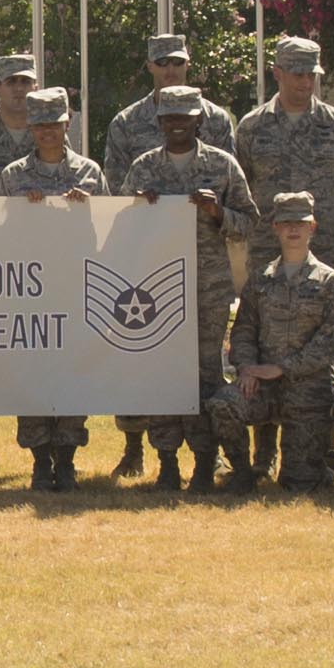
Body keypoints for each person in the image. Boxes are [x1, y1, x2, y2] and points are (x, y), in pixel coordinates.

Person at [121, 94, 253, 492]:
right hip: (156, 290)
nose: (177, 124)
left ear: (199, 121)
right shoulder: (144, 167)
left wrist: (218, 214)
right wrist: (136, 207)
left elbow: (249, 224)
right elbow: (117, 227)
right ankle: (166, 463)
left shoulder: (221, 165)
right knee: (160, 375)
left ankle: (203, 461)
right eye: (169, 118)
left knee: (204, 379)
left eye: (185, 118)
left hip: (207, 291)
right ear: (159, 122)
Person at [0, 91, 107, 490]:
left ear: (67, 123)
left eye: (54, 123)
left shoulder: (91, 174)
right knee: (33, 376)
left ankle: (67, 461)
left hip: (75, 290)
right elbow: (1, 235)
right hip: (30, 293)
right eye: (39, 124)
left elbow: (109, 232)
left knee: (72, 376)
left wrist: (87, 208)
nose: (47, 131)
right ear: (30, 126)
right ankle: (40, 462)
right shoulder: (12, 176)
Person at [225, 193, 334, 493]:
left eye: (301, 223)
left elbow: (329, 341)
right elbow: (243, 330)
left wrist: (282, 368)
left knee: (299, 484)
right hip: (262, 384)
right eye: (287, 223)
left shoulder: (330, 281)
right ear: (276, 227)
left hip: (309, 385)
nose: (294, 230)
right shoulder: (260, 279)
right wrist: (247, 368)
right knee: (221, 405)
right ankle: (242, 471)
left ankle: (322, 462)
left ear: (313, 228)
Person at [233, 37, 334, 271]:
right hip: (267, 250)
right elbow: (239, 188)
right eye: (298, 75)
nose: (306, 82)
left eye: (311, 75)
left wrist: (330, 225)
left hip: (323, 249)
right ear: (277, 73)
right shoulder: (252, 127)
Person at [104, 35, 205, 170]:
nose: (170, 69)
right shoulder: (125, 123)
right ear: (150, 66)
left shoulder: (216, 119)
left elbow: (229, 178)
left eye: (177, 61)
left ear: (187, 65)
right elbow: (117, 185)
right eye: (162, 62)